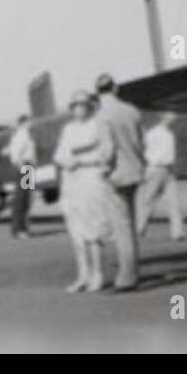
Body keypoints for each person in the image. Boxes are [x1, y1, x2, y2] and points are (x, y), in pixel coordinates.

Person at [53, 91, 118, 293]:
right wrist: (66, 160)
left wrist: (82, 160)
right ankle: (83, 275)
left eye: (82, 105)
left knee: (94, 229)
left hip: (91, 179)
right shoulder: (68, 129)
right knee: (76, 231)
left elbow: (107, 154)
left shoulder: (99, 126)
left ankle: (97, 274)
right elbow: (59, 154)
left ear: (90, 107)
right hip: (71, 181)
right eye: (75, 105)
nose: (78, 109)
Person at [94, 73, 146, 291]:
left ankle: (127, 278)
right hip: (134, 171)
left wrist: (102, 169)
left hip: (116, 175)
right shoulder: (132, 110)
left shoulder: (102, 115)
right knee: (130, 225)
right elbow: (141, 142)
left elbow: (107, 149)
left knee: (121, 228)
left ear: (97, 92)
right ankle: (133, 271)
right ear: (115, 88)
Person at [136, 113, 187, 241]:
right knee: (148, 201)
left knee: (174, 202)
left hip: (168, 170)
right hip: (155, 169)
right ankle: (138, 229)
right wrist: (149, 166)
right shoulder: (153, 133)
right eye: (170, 116)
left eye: (173, 116)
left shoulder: (170, 134)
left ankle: (178, 233)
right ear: (163, 117)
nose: (173, 118)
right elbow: (143, 148)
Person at [3, 113, 36, 238]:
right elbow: (16, 152)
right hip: (25, 167)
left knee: (26, 198)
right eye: (29, 122)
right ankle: (19, 229)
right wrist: (21, 165)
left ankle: (23, 228)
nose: (31, 124)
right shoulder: (22, 134)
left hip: (28, 167)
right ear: (24, 123)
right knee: (22, 199)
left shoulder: (24, 135)